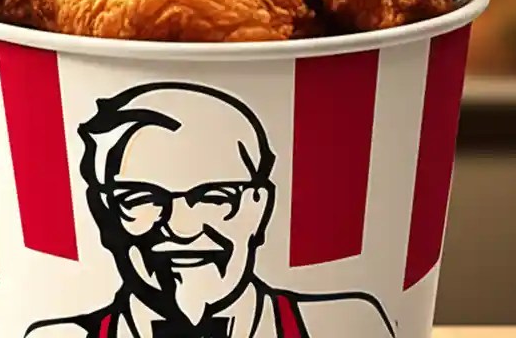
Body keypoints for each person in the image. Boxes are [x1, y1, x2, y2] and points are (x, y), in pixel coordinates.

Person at [27, 82, 394, 338]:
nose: (183, 228)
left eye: (216, 198)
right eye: (141, 199)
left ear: (258, 209)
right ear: (103, 215)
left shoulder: (339, 326)